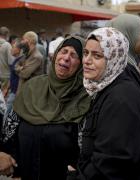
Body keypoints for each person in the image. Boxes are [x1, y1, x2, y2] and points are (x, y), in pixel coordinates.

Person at [67, 27, 140, 180]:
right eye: (86, 53)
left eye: (97, 55)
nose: (87, 61)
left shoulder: (121, 98)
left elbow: (113, 163)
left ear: (114, 58)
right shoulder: (105, 85)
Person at [3, 35, 91, 180]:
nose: (66, 57)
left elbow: (86, 152)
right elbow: (10, 129)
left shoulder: (83, 99)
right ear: (56, 55)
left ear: (81, 63)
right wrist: (8, 156)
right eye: (63, 51)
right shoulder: (33, 86)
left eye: (74, 55)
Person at [0, 26, 14, 98]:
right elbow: (11, 61)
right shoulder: (7, 45)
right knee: (4, 96)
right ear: (7, 34)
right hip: (5, 75)